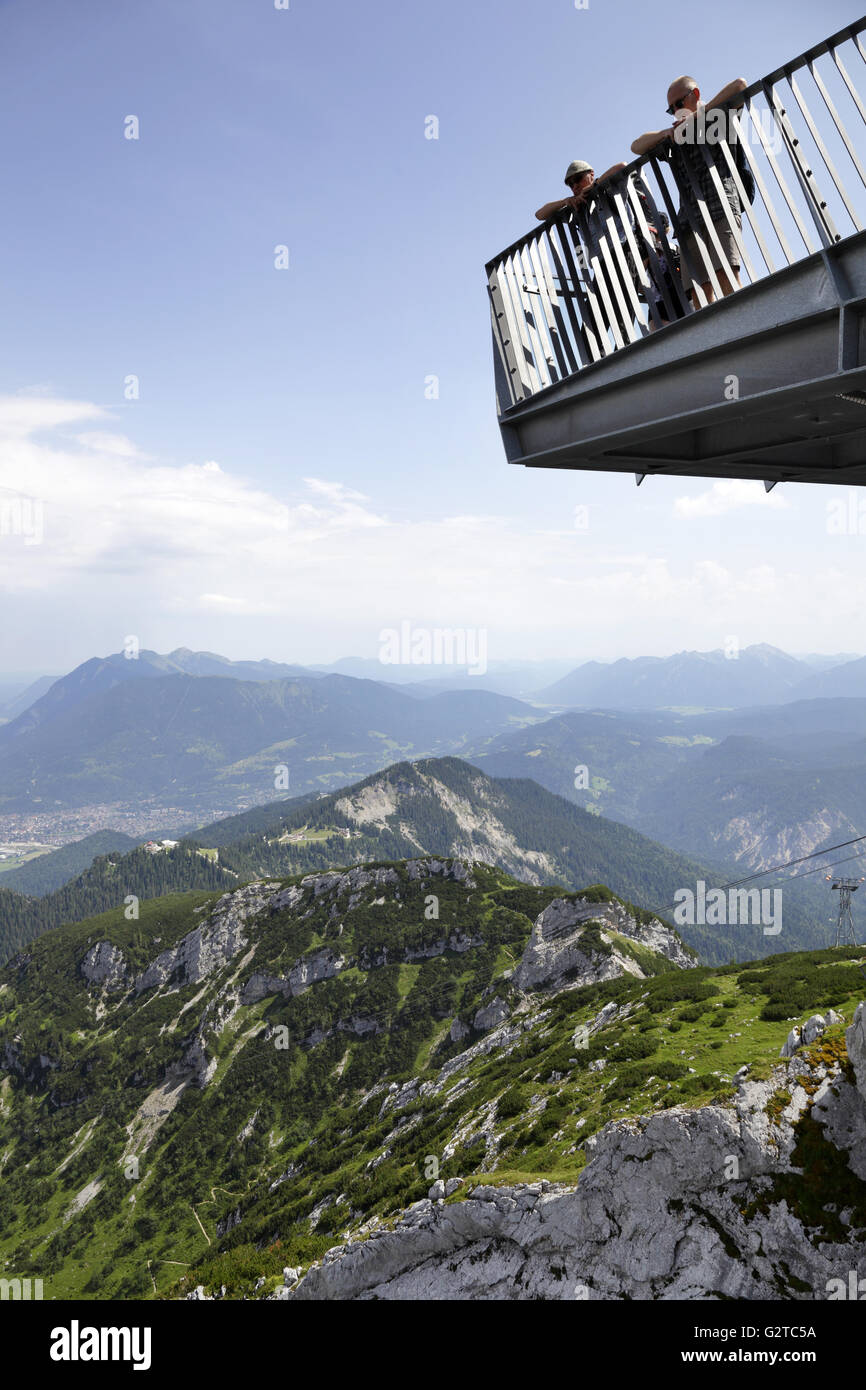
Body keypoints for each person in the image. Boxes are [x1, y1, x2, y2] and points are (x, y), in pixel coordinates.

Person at [535, 159, 683, 345]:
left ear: (591, 174)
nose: (574, 186)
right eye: (570, 184)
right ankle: (594, 359)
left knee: (621, 308)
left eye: (578, 179)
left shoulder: (608, 189)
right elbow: (540, 214)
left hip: (625, 250)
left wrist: (594, 187)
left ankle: (625, 351)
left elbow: (622, 166)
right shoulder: (577, 207)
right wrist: (566, 201)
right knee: (593, 318)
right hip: (602, 263)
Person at [631, 76, 748, 309]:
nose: (676, 111)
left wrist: (699, 116)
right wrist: (665, 134)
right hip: (689, 219)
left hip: (719, 204)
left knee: (726, 275)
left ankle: (748, 326)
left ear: (695, 95)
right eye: (671, 108)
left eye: (679, 103)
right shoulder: (677, 135)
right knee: (698, 292)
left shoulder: (717, 116)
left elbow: (740, 85)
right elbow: (636, 146)